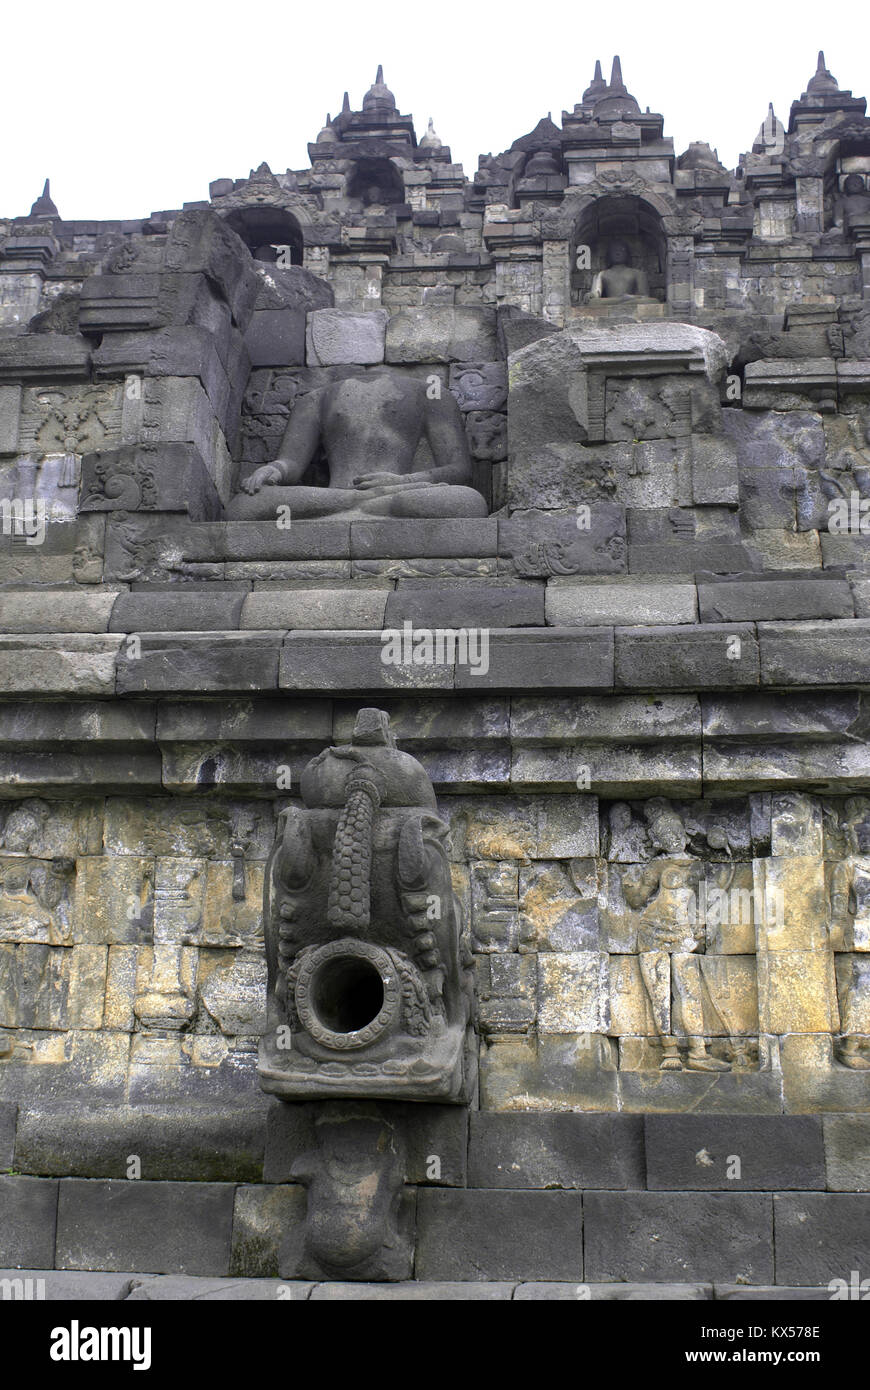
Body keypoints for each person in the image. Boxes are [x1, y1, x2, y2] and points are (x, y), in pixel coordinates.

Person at [228, 367, 487, 520]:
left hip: (399, 491)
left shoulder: (430, 393)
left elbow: (459, 470)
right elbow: (292, 464)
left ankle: (354, 508)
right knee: (241, 507)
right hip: (335, 495)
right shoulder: (314, 399)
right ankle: (363, 504)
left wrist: (402, 482)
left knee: (469, 502)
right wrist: (274, 469)